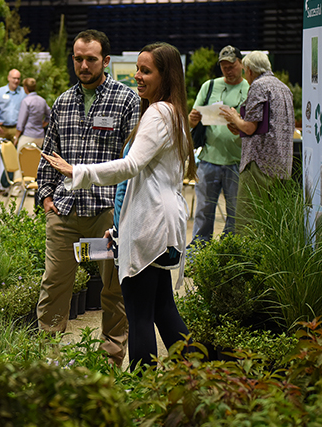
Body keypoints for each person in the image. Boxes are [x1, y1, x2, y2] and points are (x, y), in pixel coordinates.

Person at [43, 42, 196, 371]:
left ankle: (140, 391)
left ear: (165, 75)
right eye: (138, 69)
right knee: (163, 310)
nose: (137, 77)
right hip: (159, 221)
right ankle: (204, 376)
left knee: (140, 315)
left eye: (146, 71)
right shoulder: (174, 111)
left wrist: (78, 171)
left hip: (149, 224)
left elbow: (130, 166)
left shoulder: (157, 113)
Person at [35, 29, 139, 367]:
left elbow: (135, 159)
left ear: (105, 61)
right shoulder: (63, 101)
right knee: (54, 284)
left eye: (90, 59)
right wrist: (47, 198)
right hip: (64, 210)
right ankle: (46, 358)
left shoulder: (127, 101)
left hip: (106, 211)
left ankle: (110, 358)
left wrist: (125, 210)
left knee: (113, 289)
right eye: (78, 58)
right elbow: (48, 153)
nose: (83, 64)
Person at [219, 51, 295, 231]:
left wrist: (234, 117)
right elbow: (267, 126)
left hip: (259, 164)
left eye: (245, 70)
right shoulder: (284, 88)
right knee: (272, 222)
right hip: (282, 166)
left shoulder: (259, 86)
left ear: (251, 70)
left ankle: (250, 259)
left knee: (249, 221)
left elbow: (250, 128)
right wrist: (239, 125)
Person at [188, 45, 250, 247]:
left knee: (235, 211)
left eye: (231, 65)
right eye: (223, 66)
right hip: (208, 159)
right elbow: (192, 120)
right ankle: (199, 247)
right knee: (204, 211)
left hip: (237, 161)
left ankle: (228, 249)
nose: (227, 70)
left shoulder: (249, 88)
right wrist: (192, 119)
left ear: (241, 64)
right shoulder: (209, 86)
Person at [14, 77, 50, 151]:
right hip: (40, 136)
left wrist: (16, 137)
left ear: (25, 88)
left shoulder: (26, 101)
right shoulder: (42, 100)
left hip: (28, 135)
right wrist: (43, 124)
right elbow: (50, 115)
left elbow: (21, 122)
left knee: (20, 158)